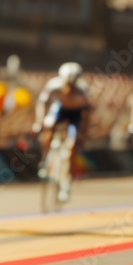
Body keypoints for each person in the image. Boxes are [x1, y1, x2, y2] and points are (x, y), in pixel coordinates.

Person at [32, 62, 91, 193]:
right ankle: (46, 159)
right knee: (50, 126)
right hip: (60, 109)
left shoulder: (84, 90)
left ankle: (67, 179)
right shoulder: (54, 85)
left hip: (75, 113)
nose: (69, 89)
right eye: (67, 85)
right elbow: (42, 103)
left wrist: (84, 131)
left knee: (72, 144)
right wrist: (39, 121)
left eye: (73, 86)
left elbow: (87, 113)